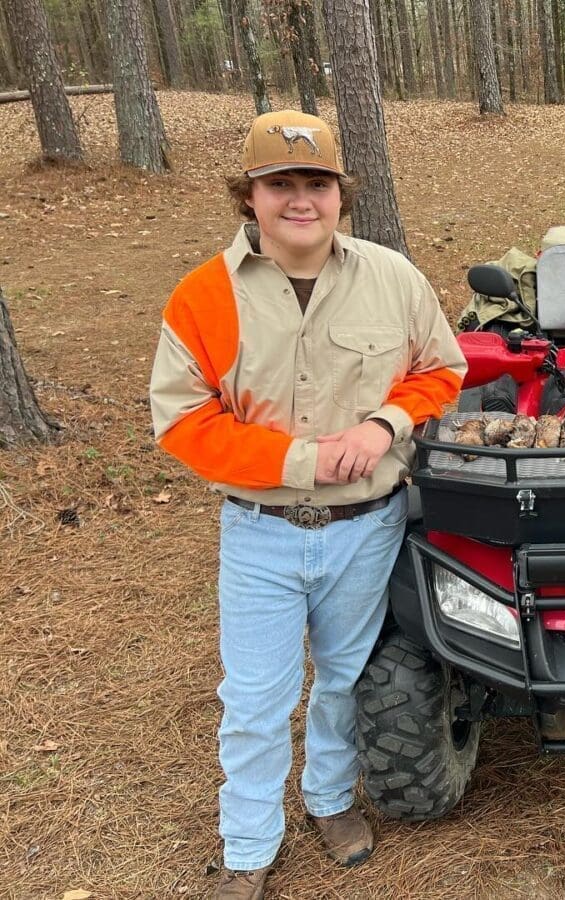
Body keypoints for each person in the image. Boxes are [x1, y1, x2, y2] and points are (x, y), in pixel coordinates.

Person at [149, 110, 466, 899]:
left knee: (346, 679)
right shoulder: (204, 296)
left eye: (316, 183)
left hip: (368, 525)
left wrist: (384, 424)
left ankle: (330, 801)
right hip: (261, 531)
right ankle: (248, 845)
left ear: (339, 195)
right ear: (249, 197)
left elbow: (443, 369)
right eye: (279, 184)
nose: (301, 200)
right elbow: (182, 422)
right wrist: (302, 460)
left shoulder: (393, 278)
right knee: (256, 699)